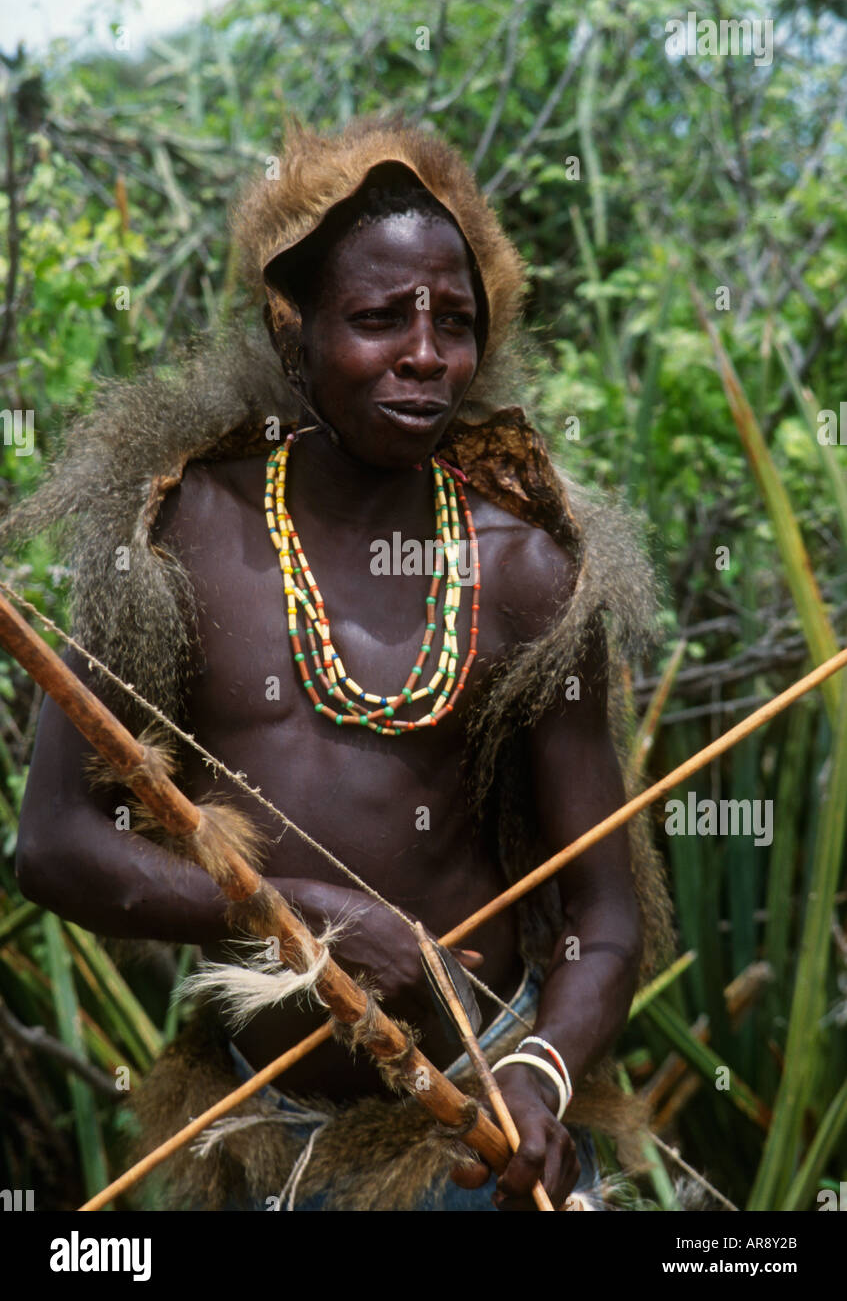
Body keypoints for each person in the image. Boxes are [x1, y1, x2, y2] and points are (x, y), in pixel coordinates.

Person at [11, 115, 673, 1211]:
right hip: (266, 1142)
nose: (424, 353)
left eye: (453, 322)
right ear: (291, 331)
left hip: (480, 1130)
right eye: (377, 318)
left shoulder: (523, 569)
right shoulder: (181, 541)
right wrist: (294, 909)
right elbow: (56, 846)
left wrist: (538, 1070)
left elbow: (604, 909)